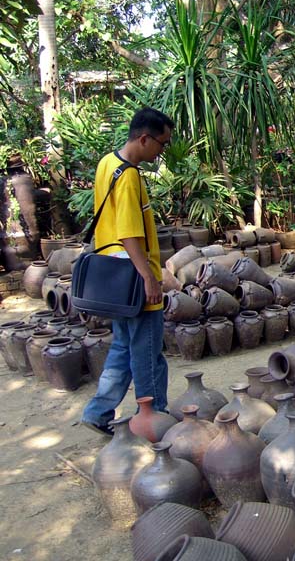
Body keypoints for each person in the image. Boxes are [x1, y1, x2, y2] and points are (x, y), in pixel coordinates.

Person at [81, 107, 174, 436]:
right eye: (162, 144)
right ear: (144, 139)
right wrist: (149, 277)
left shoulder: (108, 163)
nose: (162, 151)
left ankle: (98, 412)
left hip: (115, 279)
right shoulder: (130, 176)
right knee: (148, 353)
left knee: (123, 347)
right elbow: (129, 234)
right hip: (135, 279)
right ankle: (154, 417)